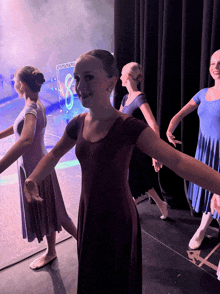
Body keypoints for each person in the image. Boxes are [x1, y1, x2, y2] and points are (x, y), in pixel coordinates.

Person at [24, 49, 220, 294]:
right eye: (76, 78)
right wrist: (32, 179)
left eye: (88, 77)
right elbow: (53, 155)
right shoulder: (78, 123)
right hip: (88, 214)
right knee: (92, 278)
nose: (79, 85)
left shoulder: (127, 126)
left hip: (117, 218)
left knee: (116, 282)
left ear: (111, 82)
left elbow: (178, 161)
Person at [0, 66, 77, 269]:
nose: (14, 85)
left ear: (22, 85)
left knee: (58, 212)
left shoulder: (31, 109)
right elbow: (21, 125)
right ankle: (52, 251)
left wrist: (0, 165)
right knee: (53, 210)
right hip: (38, 167)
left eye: (15, 82)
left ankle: (89, 247)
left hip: (36, 170)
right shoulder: (33, 105)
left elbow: (26, 140)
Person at [166, 49, 220, 250]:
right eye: (213, 63)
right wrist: (170, 128)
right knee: (208, 194)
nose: (216, 68)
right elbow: (180, 113)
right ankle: (203, 228)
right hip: (204, 153)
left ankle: (202, 229)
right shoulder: (203, 93)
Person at [119, 62, 168, 219]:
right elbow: (118, 120)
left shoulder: (139, 97)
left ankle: (134, 208)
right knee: (138, 180)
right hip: (126, 147)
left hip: (137, 148)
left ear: (127, 77)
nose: (120, 77)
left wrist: (156, 153)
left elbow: (153, 124)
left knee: (132, 179)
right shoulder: (125, 98)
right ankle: (159, 204)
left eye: (121, 74)